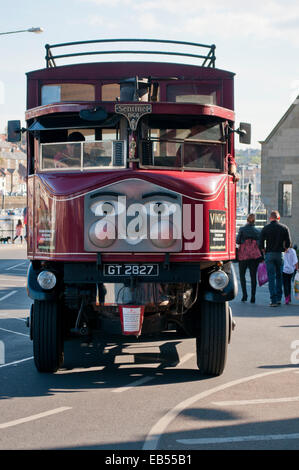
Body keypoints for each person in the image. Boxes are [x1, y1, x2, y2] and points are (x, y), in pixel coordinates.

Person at [259, 210, 291, 307]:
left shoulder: (266, 228)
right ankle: (278, 299)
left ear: (270, 218)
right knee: (279, 277)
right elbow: (288, 242)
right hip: (279, 254)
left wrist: (263, 250)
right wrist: (285, 248)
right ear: (279, 218)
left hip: (269, 254)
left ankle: (273, 300)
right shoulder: (284, 228)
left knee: (271, 278)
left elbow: (260, 242)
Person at [236, 213, 262, 303]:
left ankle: (244, 295)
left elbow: (237, 241)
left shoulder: (242, 229)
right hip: (253, 256)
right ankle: (253, 297)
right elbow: (260, 244)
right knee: (253, 276)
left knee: (242, 276)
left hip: (243, 255)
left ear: (247, 220)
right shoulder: (258, 231)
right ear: (254, 221)